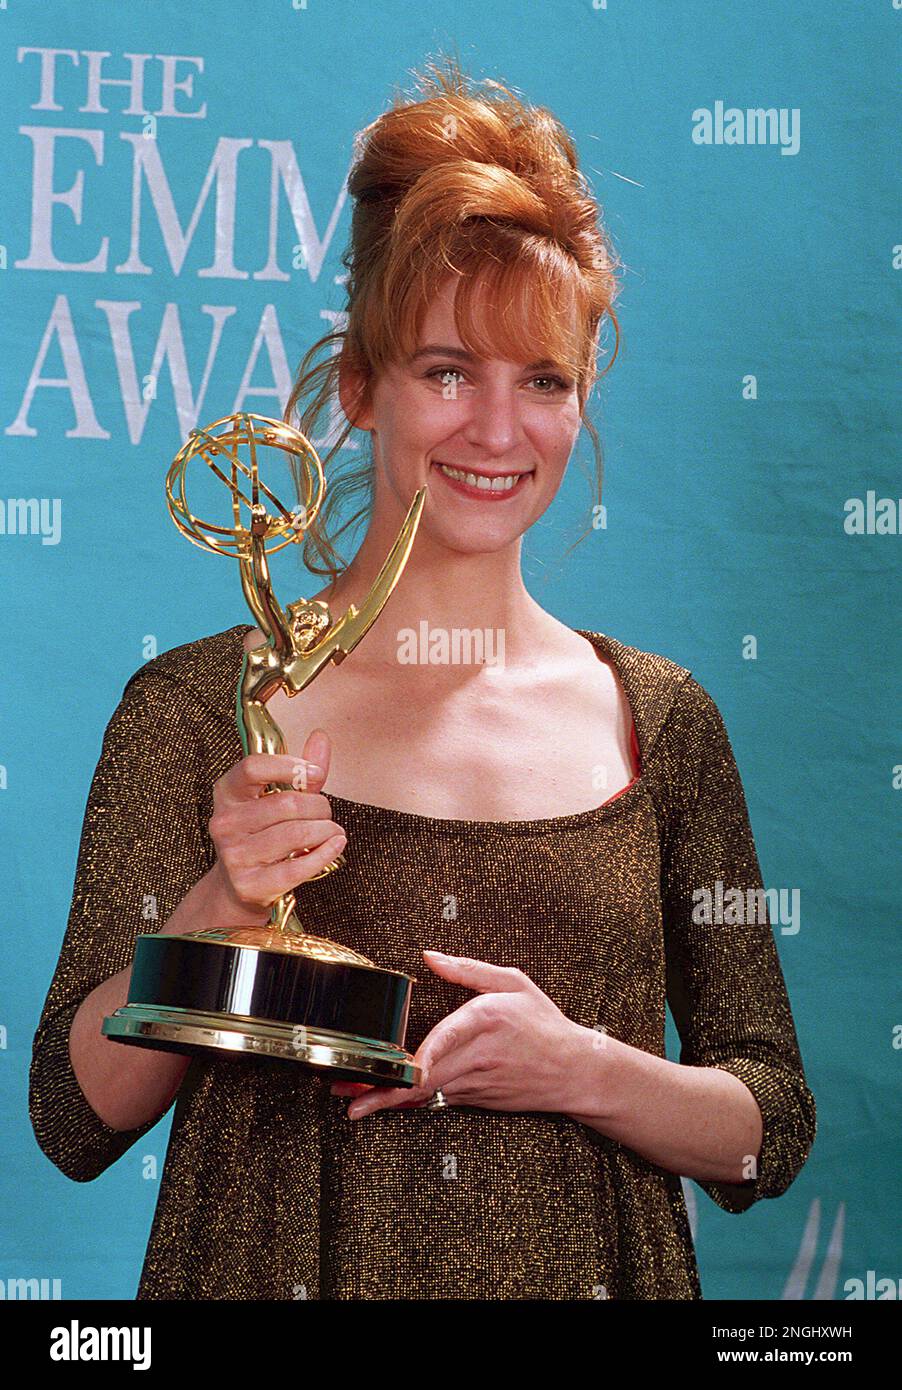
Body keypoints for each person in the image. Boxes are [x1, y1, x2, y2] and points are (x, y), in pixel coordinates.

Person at [29, 56, 816, 1300]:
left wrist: (580, 1068)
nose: (498, 432)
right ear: (359, 387)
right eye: (448, 371)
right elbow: (74, 1117)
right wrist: (217, 911)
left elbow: (765, 1121)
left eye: (542, 380)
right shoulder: (198, 708)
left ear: (580, 396)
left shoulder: (657, 720)